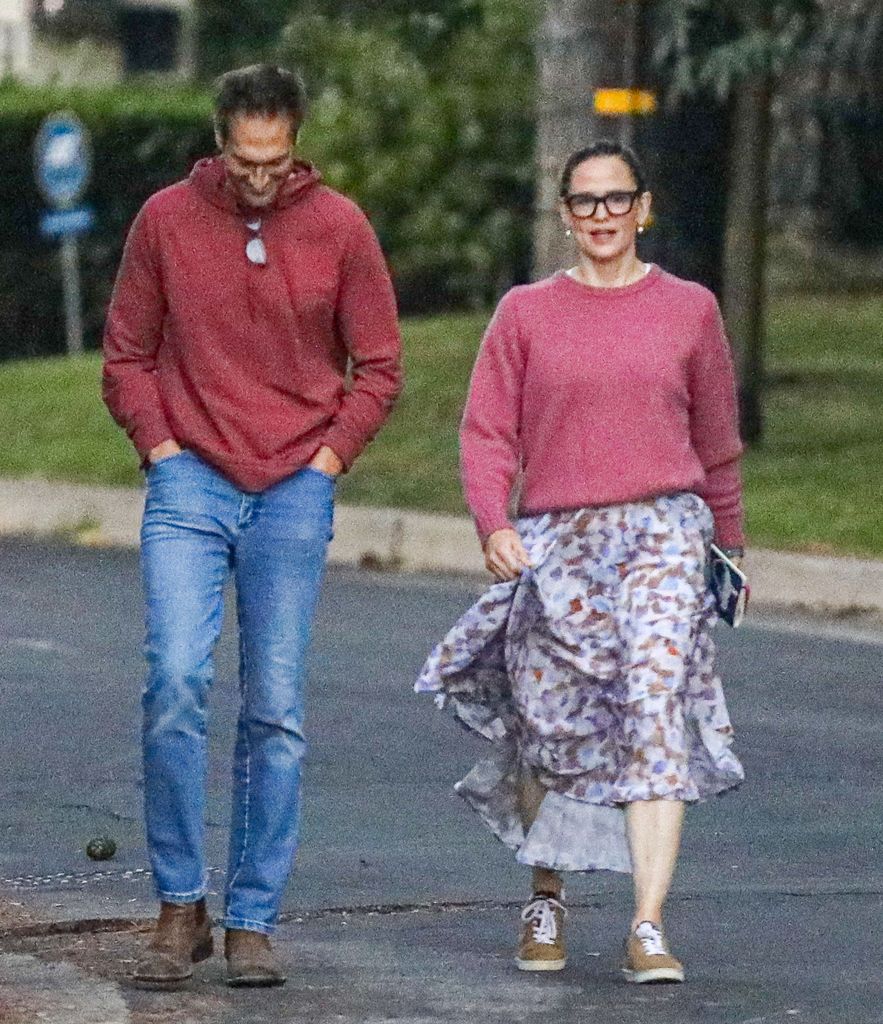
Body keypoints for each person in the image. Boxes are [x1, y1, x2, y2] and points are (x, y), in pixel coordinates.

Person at [416, 139, 745, 984]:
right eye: (584, 201)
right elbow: (487, 431)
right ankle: (546, 892)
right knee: (552, 722)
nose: (601, 215)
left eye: (616, 198)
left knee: (653, 703)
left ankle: (646, 922)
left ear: (644, 208)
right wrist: (493, 522)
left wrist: (728, 546)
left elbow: (716, 442)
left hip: (664, 533)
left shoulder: (689, 309)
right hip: (558, 537)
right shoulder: (525, 313)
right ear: (565, 214)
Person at [103, 64, 402, 988]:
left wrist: (327, 462)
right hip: (189, 480)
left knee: (274, 708)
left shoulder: (341, 227)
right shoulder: (165, 220)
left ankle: (251, 918)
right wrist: (159, 448)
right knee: (176, 681)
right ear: (221, 141)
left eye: (274, 162)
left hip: (293, 486)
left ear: (295, 143)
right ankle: (178, 903)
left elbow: (381, 365)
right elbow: (126, 355)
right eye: (244, 161)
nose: (259, 178)